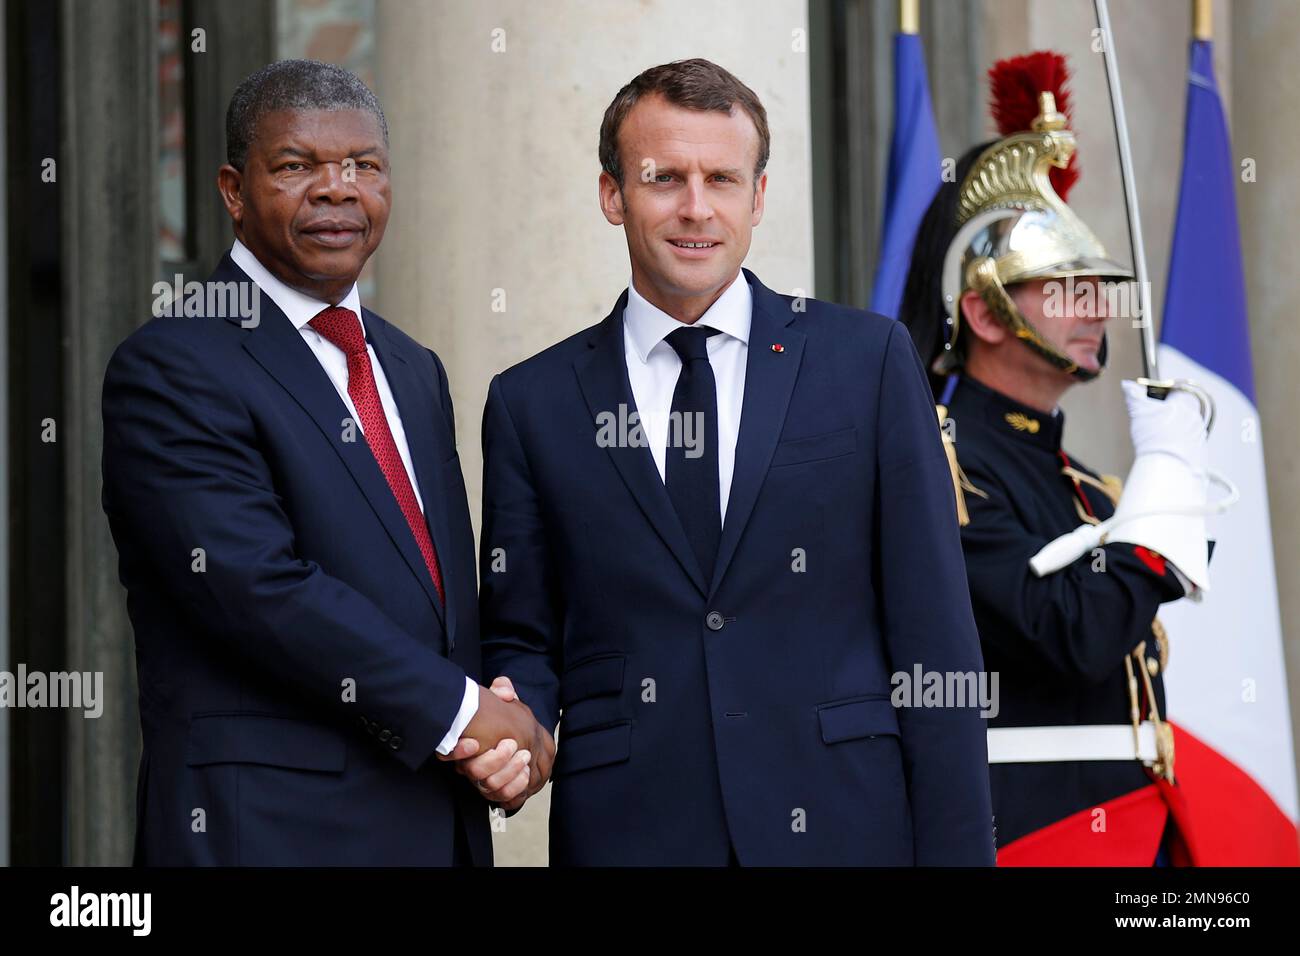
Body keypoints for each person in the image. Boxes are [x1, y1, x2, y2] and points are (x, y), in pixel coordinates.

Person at [458, 57, 993, 865]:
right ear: (613, 195)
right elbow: (522, 637)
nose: (696, 208)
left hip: (845, 829)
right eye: (664, 178)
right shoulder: (532, 402)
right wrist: (517, 729)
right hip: (628, 835)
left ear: (759, 196)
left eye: (722, 179)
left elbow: (937, 638)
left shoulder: (867, 360)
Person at [101, 59, 550, 866]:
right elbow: (258, 591)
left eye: (364, 167)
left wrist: (510, 727)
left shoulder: (412, 369)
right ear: (234, 191)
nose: (338, 190)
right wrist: (465, 714)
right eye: (297, 166)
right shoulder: (173, 365)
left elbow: (443, 608)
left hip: (435, 827)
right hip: (270, 834)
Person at [899, 52, 1211, 865]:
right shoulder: (936, 461)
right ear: (984, 310)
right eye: (1063, 284)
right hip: (1029, 835)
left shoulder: (1084, 486)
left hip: (1134, 832)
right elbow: (1070, 630)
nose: (1094, 305)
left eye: (1095, 283)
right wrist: (1166, 497)